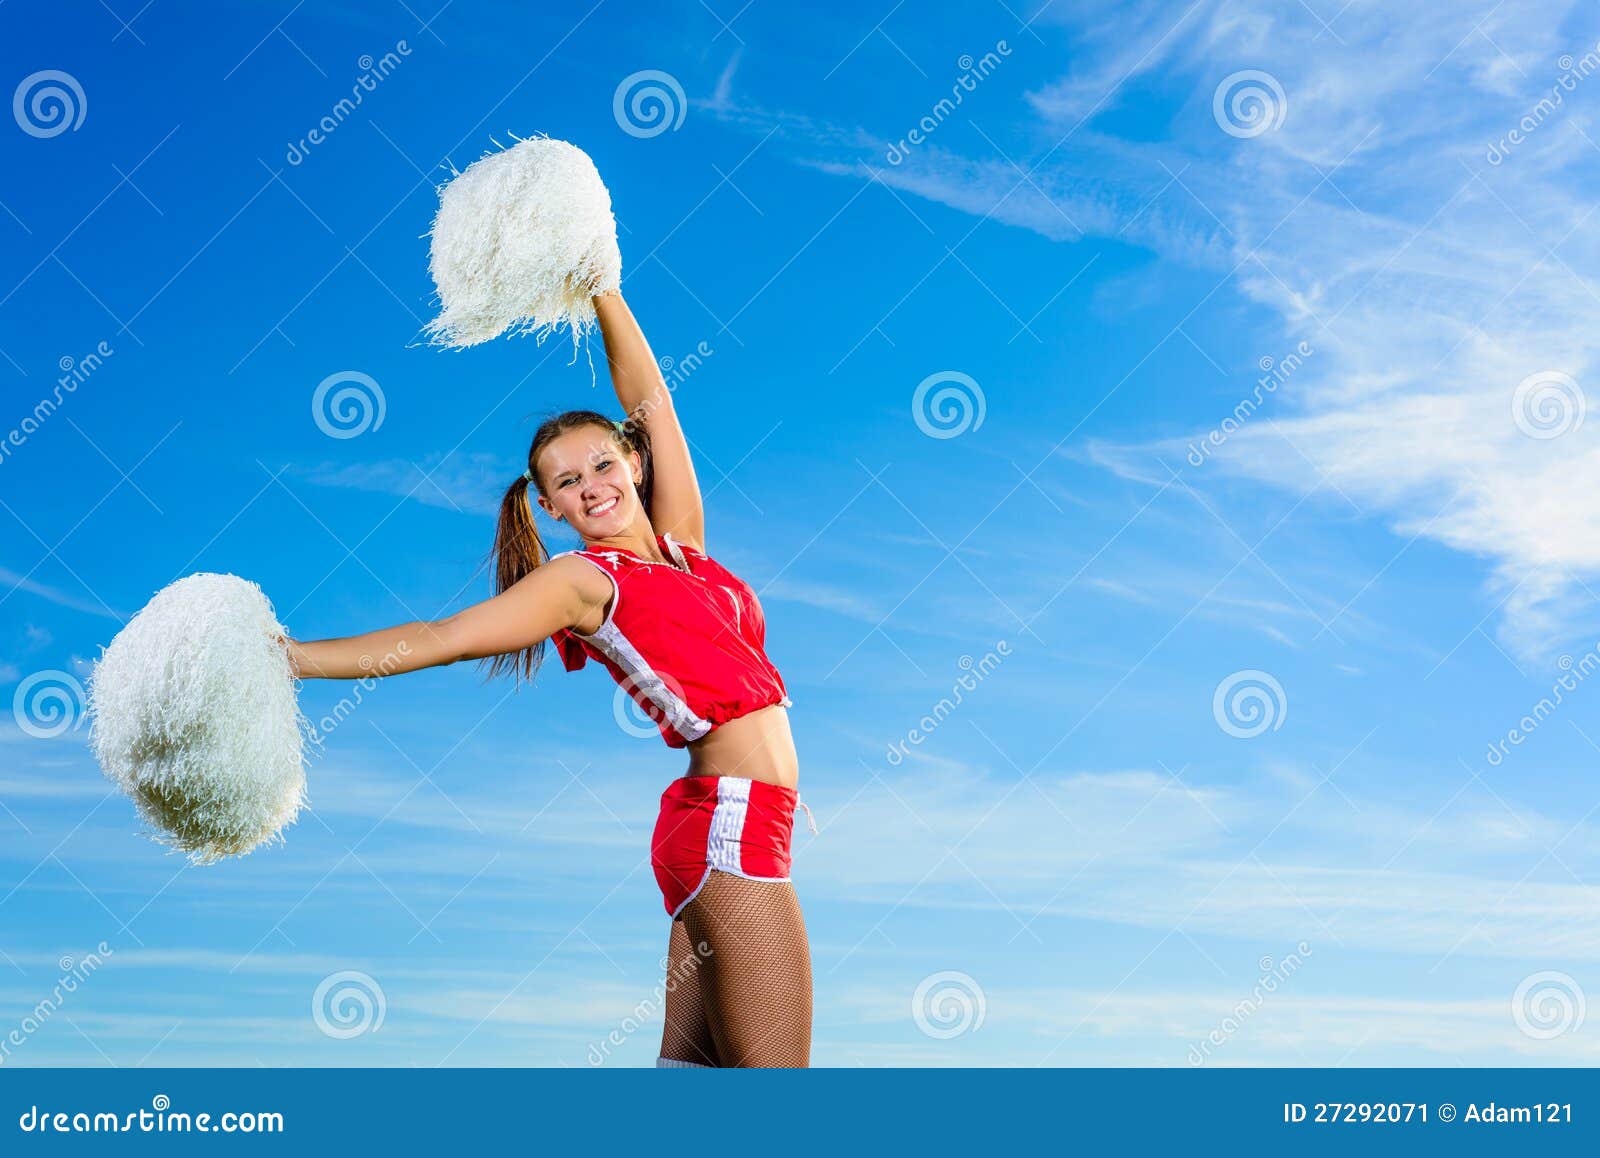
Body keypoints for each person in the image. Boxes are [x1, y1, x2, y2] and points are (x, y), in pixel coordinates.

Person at [286, 291, 813, 1068]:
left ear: (634, 463)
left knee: (693, 1080)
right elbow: (445, 639)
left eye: (603, 463)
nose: (591, 485)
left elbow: (651, 402)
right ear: (548, 506)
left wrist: (603, 284)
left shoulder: (684, 548)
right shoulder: (582, 580)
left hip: (741, 820)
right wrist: (292, 657)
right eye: (566, 483)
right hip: (727, 825)